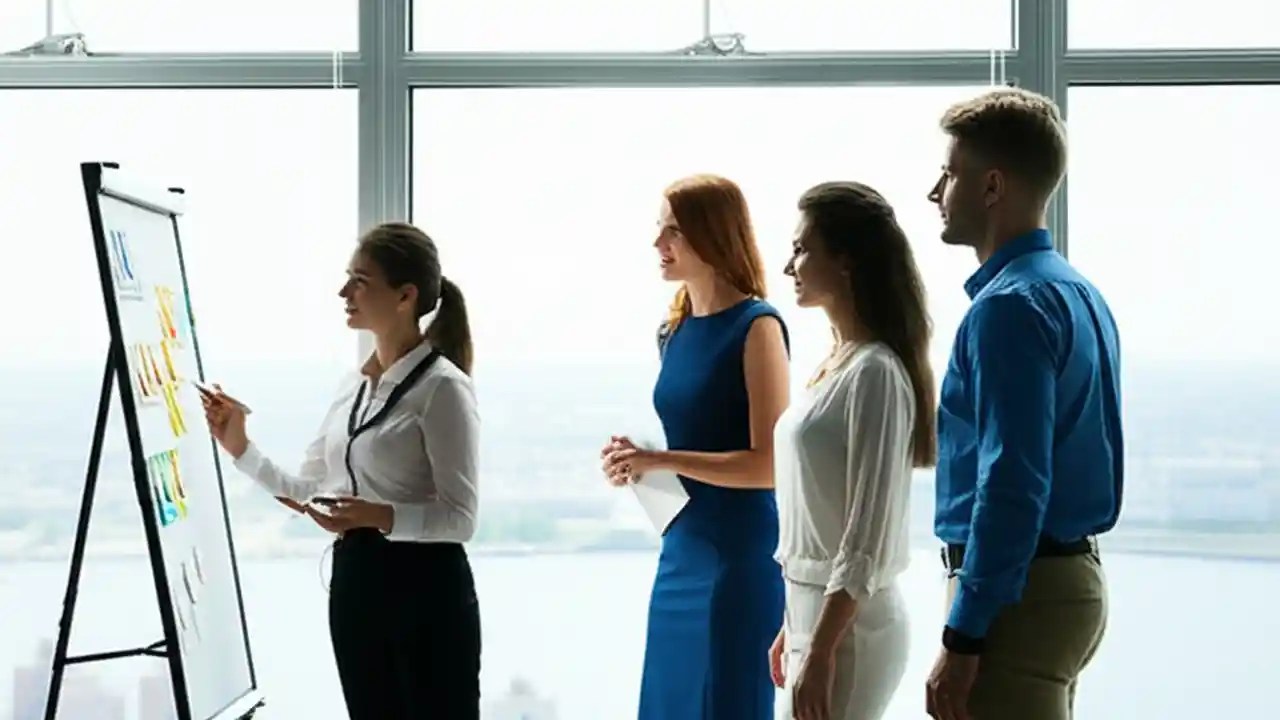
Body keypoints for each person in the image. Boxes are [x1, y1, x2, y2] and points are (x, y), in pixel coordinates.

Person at [201, 221, 482, 720]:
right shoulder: (353, 386)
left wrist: (379, 515)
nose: (343, 292)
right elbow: (309, 488)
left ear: (405, 296)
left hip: (426, 596)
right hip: (357, 589)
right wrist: (240, 446)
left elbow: (461, 519)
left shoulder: (443, 388)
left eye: (360, 281)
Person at [924, 88, 1122, 720]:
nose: (936, 191)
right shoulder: (1075, 291)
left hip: (1019, 599)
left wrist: (964, 634)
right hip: (1065, 584)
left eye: (950, 174)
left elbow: (1011, 482)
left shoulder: (1007, 308)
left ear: (992, 187)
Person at [600, 174, 791, 720]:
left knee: (724, 703)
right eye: (660, 230)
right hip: (681, 549)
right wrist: (638, 462)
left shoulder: (758, 328)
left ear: (713, 235)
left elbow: (769, 465)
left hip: (737, 556)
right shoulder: (673, 330)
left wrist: (661, 460)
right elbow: (697, 440)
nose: (658, 245)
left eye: (673, 232)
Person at [770, 181, 936, 720]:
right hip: (813, 618)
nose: (789, 265)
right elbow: (822, 513)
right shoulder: (834, 365)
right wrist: (791, 626)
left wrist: (820, 648)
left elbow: (863, 535)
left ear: (845, 262)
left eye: (801, 249)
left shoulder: (875, 373)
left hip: (852, 632)